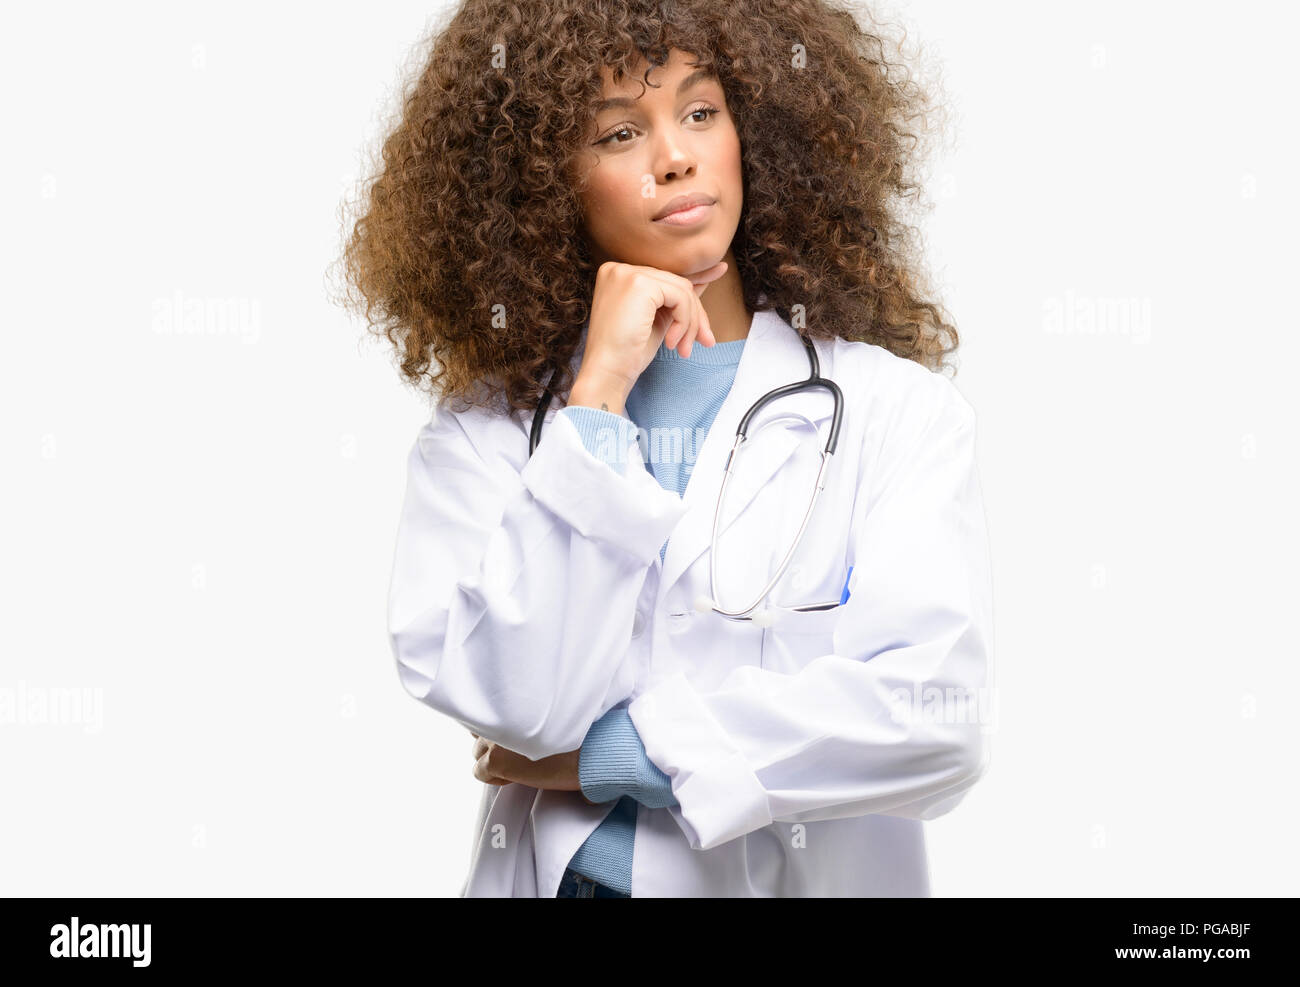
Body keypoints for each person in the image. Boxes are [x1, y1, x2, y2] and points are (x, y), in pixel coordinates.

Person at [336, 0, 994, 897]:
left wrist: (616, 754)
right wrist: (597, 396)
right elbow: (515, 704)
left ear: (752, 130)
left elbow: (934, 723)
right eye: (616, 134)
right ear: (541, 183)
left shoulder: (896, 411)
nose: (674, 155)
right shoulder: (487, 432)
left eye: (699, 111)